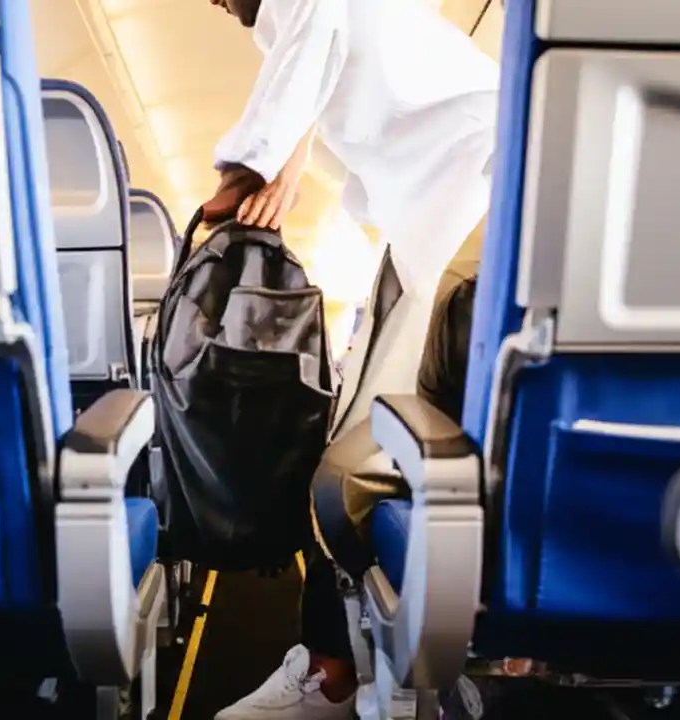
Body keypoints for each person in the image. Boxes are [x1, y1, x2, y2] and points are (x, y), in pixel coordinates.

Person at [203, 0, 498, 718]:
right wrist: (281, 168)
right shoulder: (306, 23)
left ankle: (343, 674)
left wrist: (243, 172)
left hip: (466, 205)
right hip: (443, 211)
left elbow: (312, 48)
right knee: (396, 443)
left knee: (368, 449)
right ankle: (357, 664)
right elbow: (311, 69)